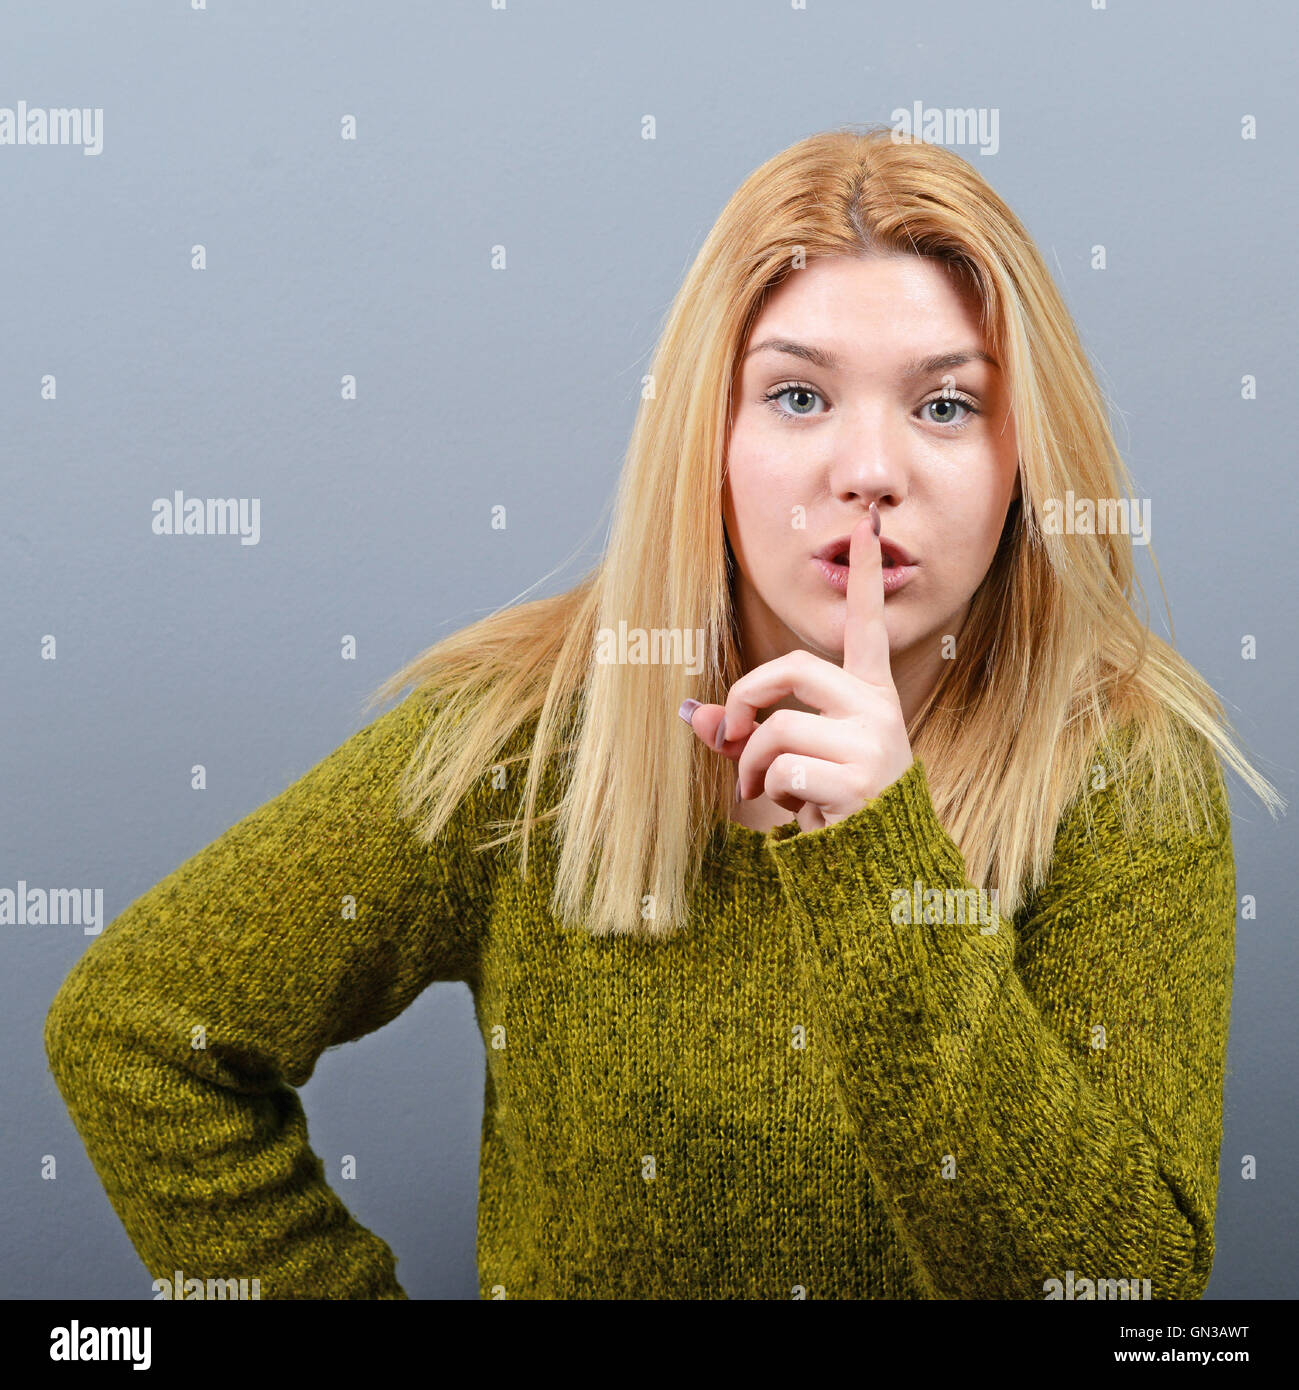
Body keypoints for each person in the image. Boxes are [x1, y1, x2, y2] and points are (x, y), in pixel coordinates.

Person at [45, 125, 1284, 1300]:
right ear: (710, 434)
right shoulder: (529, 740)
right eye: (798, 396)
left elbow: (1131, 1288)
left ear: (1025, 457)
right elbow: (136, 1027)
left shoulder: (1130, 773)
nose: (869, 471)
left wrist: (882, 858)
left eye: (945, 405)